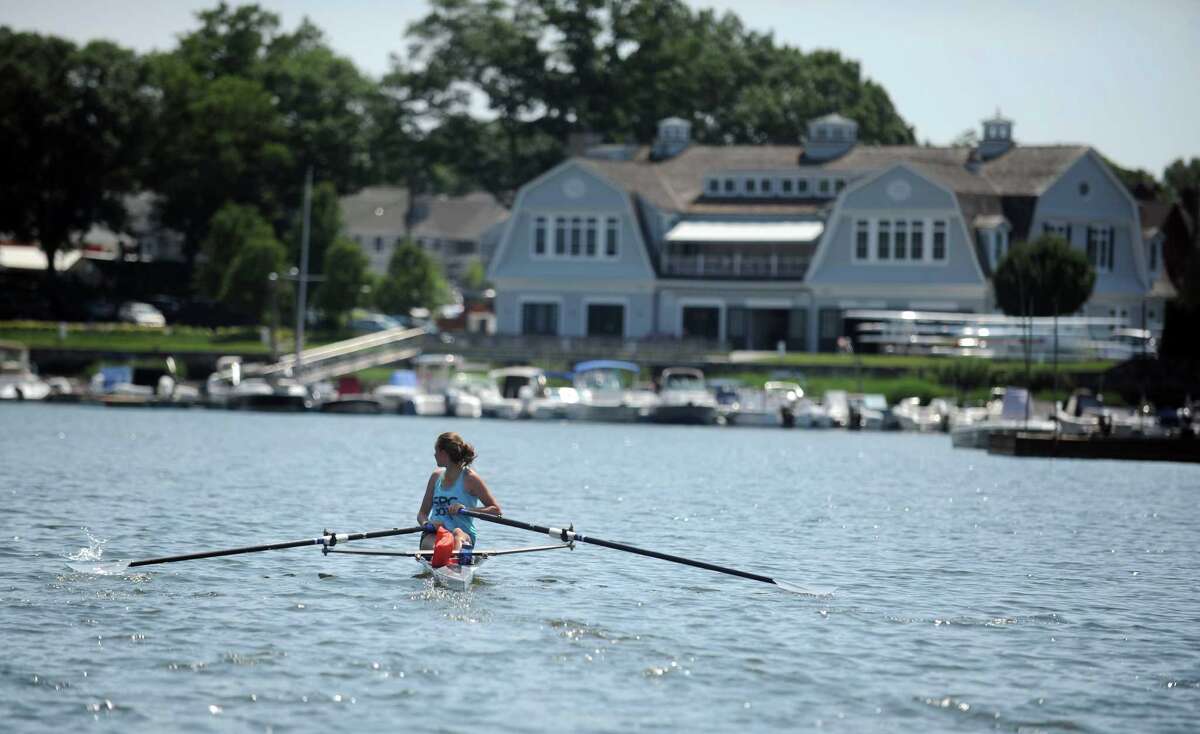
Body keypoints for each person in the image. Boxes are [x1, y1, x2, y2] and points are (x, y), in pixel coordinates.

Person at [417, 432, 501, 559]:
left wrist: (466, 509)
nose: (434, 455)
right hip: (435, 533)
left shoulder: (470, 479)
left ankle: (454, 557)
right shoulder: (436, 477)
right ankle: (449, 556)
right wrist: (427, 524)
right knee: (435, 543)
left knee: (458, 532)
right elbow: (422, 514)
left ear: (444, 454)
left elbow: (496, 510)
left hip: (463, 533)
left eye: (436, 451)